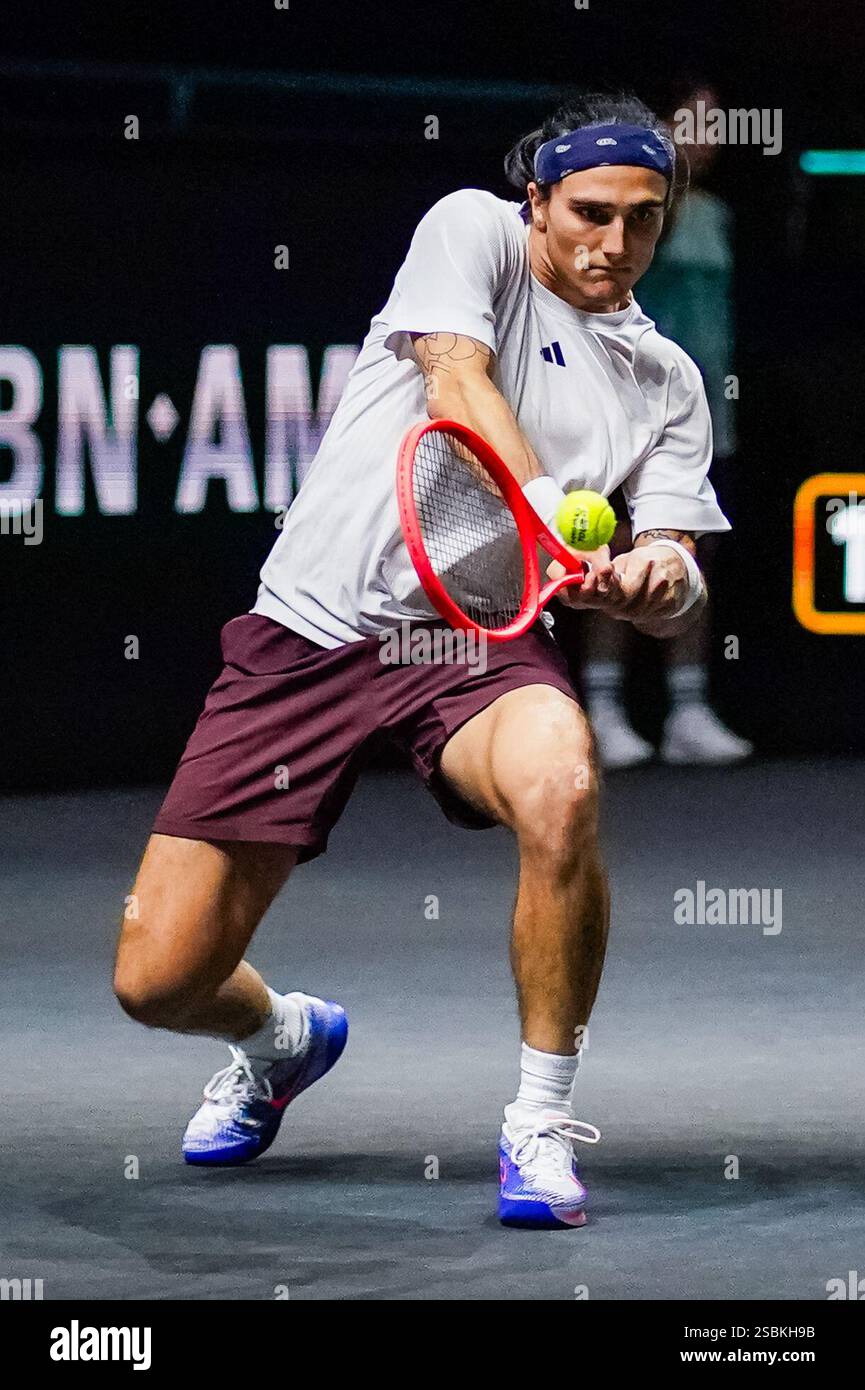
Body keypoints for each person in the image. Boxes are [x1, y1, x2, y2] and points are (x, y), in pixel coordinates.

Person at [114, 92, 730, 1229]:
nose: (613, 243)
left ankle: (539, 1123)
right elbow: (455, 378)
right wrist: (549, 509)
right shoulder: (472, 232)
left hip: (475, 649)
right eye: (588, 211)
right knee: (155, 981)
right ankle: (280, 1039)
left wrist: (659, 580)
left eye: (642, 221)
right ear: (537, 199)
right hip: (311, 630)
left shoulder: (667, 379)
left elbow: (677, 559)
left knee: (564, 779)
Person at [582, 80, 753, 768]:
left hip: (706, 413)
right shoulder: (635, 213)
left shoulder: (715, 213)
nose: (704, 136)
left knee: (691, 554)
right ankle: (600, 709)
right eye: (690, 122)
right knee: (617, 552)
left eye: (713, 124)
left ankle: (687, 709)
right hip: (629, 416)